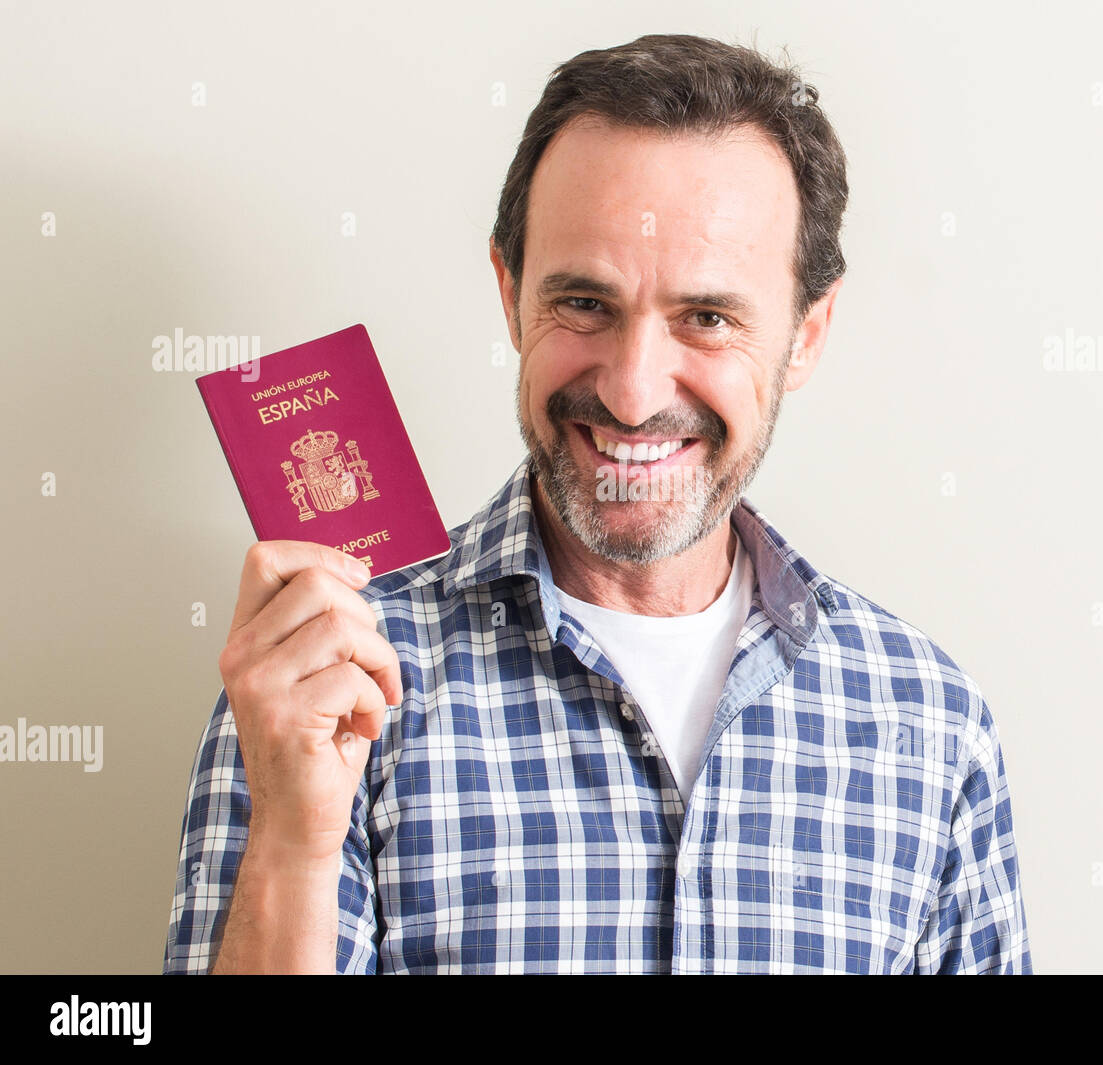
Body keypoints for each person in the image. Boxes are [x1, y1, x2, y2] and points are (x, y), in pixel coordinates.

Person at [164, 33, 1032, 974]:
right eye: (584, 304)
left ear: (804, 335)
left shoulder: (930, 724)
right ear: (510, 293)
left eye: (707, 316)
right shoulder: (324, 678)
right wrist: (293, 848)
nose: (630, 391)